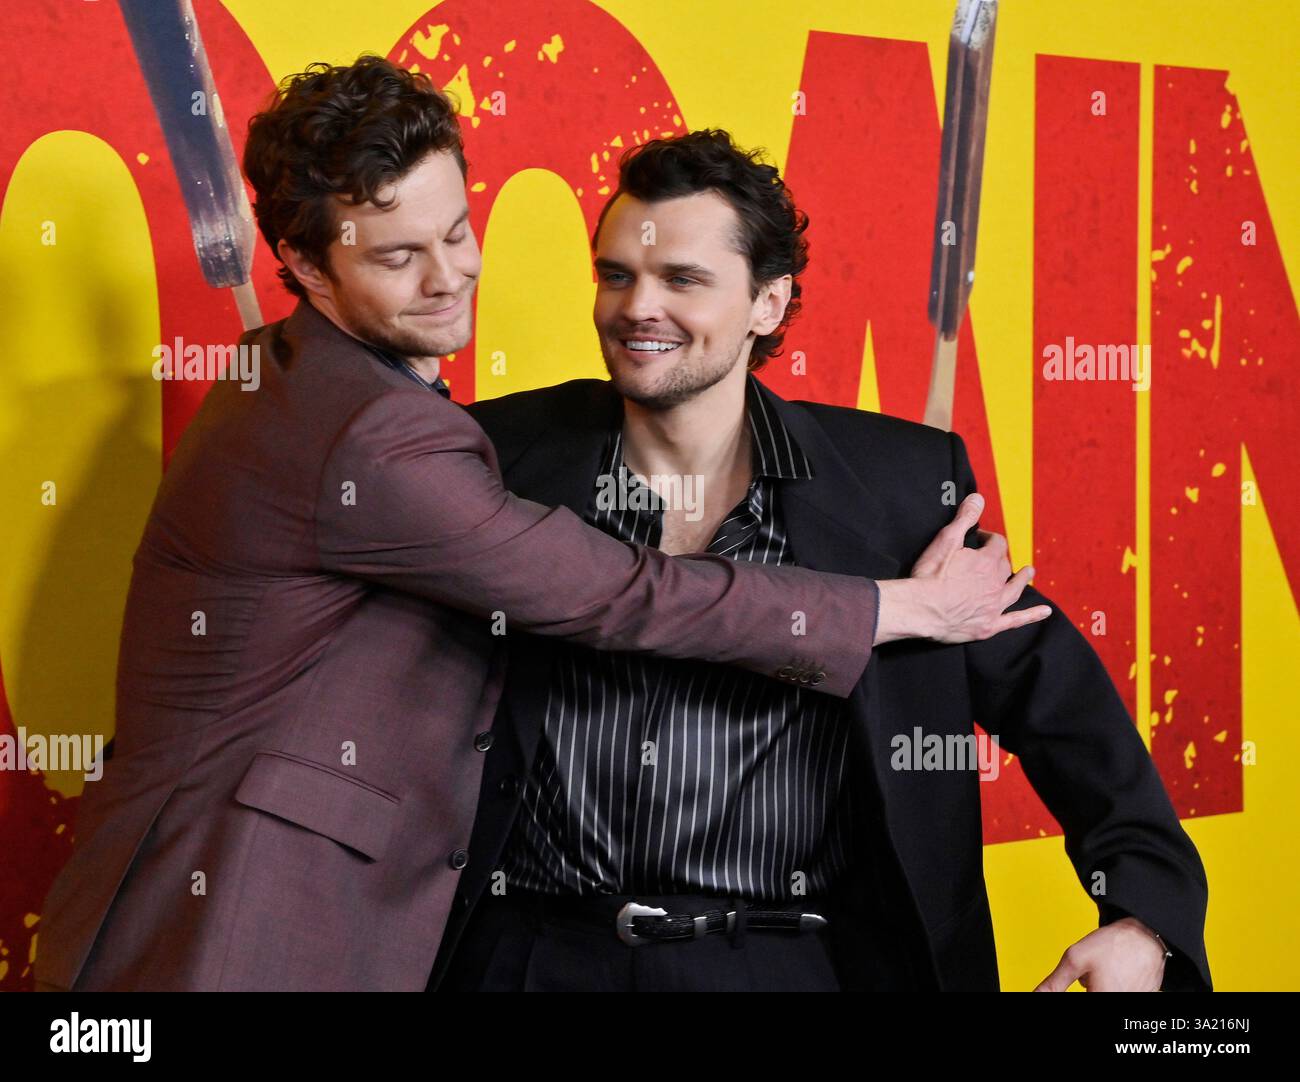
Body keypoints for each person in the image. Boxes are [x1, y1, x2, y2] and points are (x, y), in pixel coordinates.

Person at [32, 60, 1042, 992]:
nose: (448, 275)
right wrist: (894, 606)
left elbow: (1048, 690)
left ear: (766, 303)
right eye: (397, 255)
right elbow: (614, 592)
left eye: (457, 231)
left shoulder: (312, 380)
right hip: (242, 923)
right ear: (302, 260)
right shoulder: (371, 431)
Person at [431, 129, 1212, 993]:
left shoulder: (896, 487)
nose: (636, 306)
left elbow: (1062, 705)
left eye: (681, 279)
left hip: (790, 964)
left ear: (768, 302)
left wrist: (1144, 919)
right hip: (526, 958)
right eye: (616, 275)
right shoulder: (495, 456)